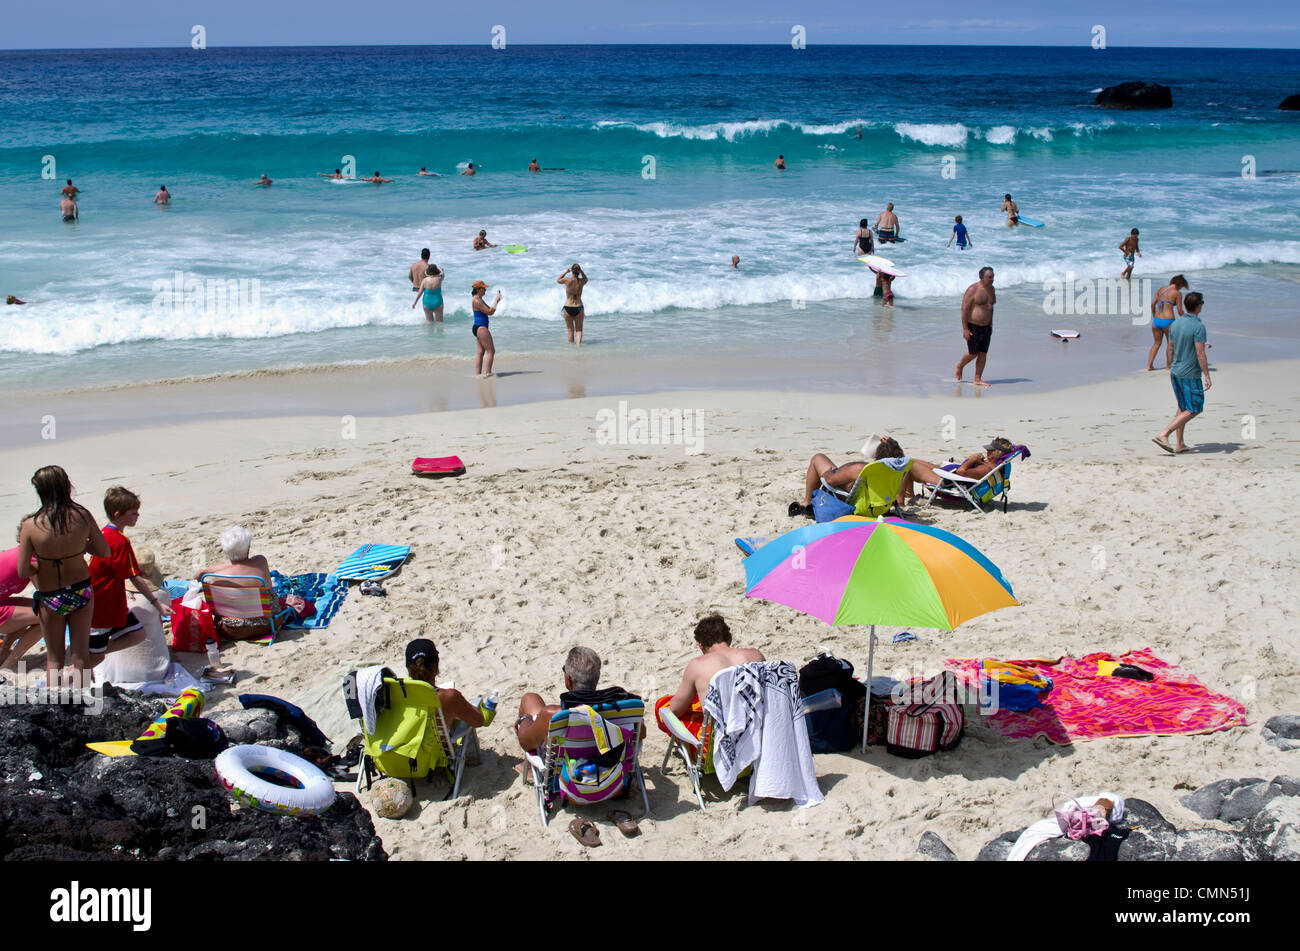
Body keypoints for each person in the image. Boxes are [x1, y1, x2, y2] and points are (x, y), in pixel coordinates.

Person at [16, 466, 111, 686]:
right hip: (81, 590)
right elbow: (104, 551)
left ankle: (56, 708)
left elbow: (23, 571)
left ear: (40, 491)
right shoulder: (82, 515)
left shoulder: (30, 525)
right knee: (80, 655)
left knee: (54, 659)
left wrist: (41, 567)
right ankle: (86, 703)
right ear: (66, 485)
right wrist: (80, 548)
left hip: (51, 595)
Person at [87, 486, 167, 666]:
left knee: (137, 634)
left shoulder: (104, 533)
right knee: (94, 659)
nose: (137, 516)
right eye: (133, 513)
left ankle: (92, 655)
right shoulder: (120, 541)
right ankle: (65, 682)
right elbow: (134, 576)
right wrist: (156, 603)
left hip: (110, 601)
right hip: (103, 605)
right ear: (118, 514)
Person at [514, 646, 640, 755]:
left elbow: (527, 744)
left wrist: (524, 719)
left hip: (566, 771)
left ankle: (530, 770)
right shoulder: (624, 709)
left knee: (529, 699)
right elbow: (641, 734)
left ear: (568, 679)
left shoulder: (553, 715)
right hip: (609, 768)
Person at [666, 615, 764, 721]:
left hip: (722, 733)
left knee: (664, 708)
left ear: (701, 646)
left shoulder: (697, 665)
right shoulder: (755, 655)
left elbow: (676, 710)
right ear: (730, 638)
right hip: (759, 727)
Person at [789, 436, 908, 517]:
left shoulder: (861, 469)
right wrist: (892, 445)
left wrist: (827, 473)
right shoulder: (898, 471)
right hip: (879, 508)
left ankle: (807, 503)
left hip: (854, 505)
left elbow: (830, 480)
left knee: (818, 458)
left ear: (875, 458)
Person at [194, 526, 275, 641]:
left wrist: (204, 571)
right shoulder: (261, 562)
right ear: (248, 548)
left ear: (225, 550)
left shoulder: (216, 580)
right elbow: (243, 565)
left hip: (233, 631)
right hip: (268, 625)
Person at [1154, 291, 1211, 454]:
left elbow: (1170, 348)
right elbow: (1200, 353)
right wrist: (1207, 375)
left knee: (1182, 407)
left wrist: (1170, 366)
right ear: (1198, 306)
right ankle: (1164, 433)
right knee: (1195, 407)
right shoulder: (1199, 326)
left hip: (1176, 371)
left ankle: (1180, 444)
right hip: (1190, 373)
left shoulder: (1176, 324)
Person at [404, 638, 491, 732]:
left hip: (400, 745)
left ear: (408, 667)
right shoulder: (449, 697)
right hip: (434, 746)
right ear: (437, 662)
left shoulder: (396, 691)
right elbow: (478, 721)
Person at [898, 437, 1016, 504]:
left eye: (991, 450)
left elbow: (962, 472)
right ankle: (909, 494)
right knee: (912, 460)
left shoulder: (986, 468)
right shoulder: (988, 465)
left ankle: (901, 502)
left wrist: (972, 459)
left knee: (908, 464)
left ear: (998, 453)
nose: (987, 452)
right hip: (949, 474)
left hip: (948, 481)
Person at [0, 546, 40, 679]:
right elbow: (46, 592)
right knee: (48, 616)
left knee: (33, 608)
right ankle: (9, 664)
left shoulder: (23, 552)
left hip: (2, 602)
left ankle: (4, 653)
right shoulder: (32, 558)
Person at [956, 266, 996, 387]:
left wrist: (991, 324)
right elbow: (964, 309)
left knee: (983, 353)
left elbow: (990, 308)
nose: (992, 279)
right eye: (989, 277)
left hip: (987, 327)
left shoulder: (992, 289)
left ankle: (977, 379)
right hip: (974, 326)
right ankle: (960, 365)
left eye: (993, 277)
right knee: (973, 353)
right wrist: (965, 329)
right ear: (981, 277)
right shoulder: (973, 290)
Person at [1148, 275, 1188, 371]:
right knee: (1170, 344)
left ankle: (1149, 365)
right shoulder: (1177, 293)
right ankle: (1168, 366)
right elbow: (1179, 310)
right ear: (1180, 284)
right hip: (1168, 321)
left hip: (1156, 321)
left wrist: (1154, 316)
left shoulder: (1161, 289)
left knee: (1156, 344)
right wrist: (1187, 319)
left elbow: (1152, 304)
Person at [471, 280, 502, 377]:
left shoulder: (478, 298)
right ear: (478, 289)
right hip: (481, 328)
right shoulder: (477, 300)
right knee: (491, 351)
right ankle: (488, 374)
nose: (485, 290)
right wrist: (496, 301)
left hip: (478, 327)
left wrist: (496, 302)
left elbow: (489, 309)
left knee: (480, 352)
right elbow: (490, 312)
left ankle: (478, 374)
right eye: (484, 288)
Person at [557, 263, 587, 346]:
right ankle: (578, 346)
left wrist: (566, 272)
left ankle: (571, 349)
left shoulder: (567, 280)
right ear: (579, 271)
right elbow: (586, 279)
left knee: (570, 329)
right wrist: (582, 272)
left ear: (572, 271)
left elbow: (558, 280)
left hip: (568, 307)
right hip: (579, 307)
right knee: (579, 330)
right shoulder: (581, 281)